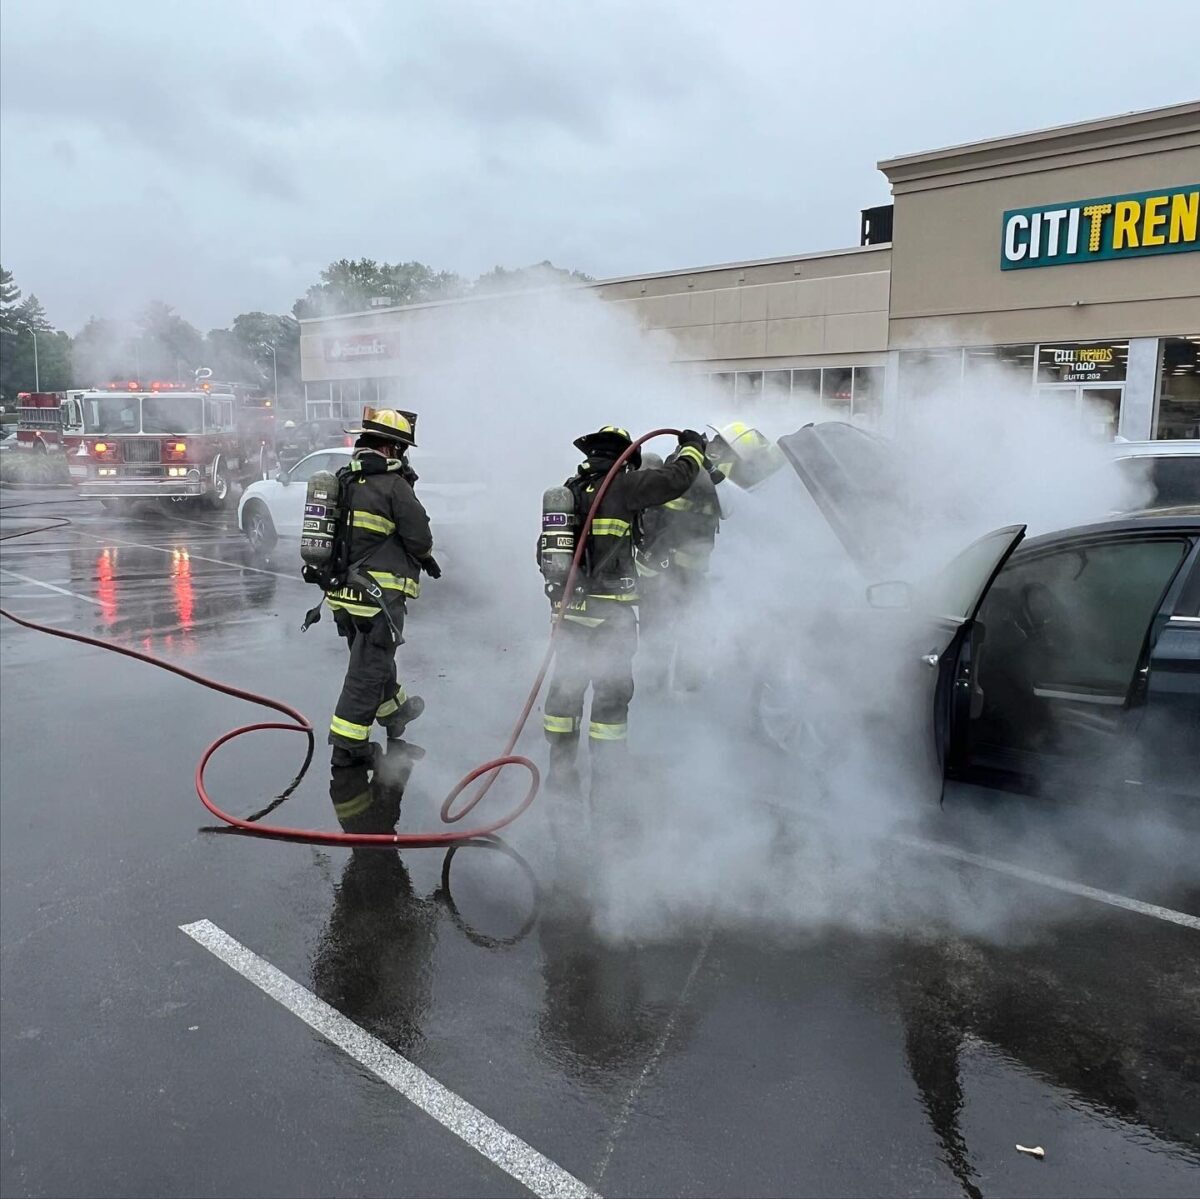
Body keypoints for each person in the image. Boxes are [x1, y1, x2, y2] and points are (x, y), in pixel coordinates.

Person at [540, 425, 706, 798]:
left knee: (567, 685)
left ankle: (561, 763)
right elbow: (676, 480)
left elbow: (544, 553)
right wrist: (692, 447)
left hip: (568, 615)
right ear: (624, 458)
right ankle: (609, 769)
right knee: (611, 690)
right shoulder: (624, 486)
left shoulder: (567, 492)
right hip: (609, 616)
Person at [325, 408, 440, 832]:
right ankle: (348, 746)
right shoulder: (393, 486)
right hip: (379, 597)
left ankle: (395, 713)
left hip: (343, 595)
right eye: (402, 449)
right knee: (368, 669)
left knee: (373, 659)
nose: (404, 457)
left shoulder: (342, 480)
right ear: (391, 448)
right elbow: (419, 536)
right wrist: (425, 557)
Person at [636, 446, 724, 690]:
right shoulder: (710, 489)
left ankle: (655, 685)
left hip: (664, 574)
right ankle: (688, 687)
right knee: (692, 627)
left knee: (658, 629)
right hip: (694, 573)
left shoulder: (664, 491)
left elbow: (653, 535)